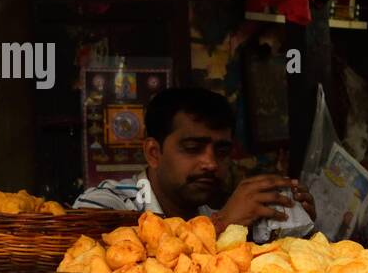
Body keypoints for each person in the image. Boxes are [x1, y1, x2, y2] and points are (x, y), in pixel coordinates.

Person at [74, 88, 314, 233]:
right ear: (153, 153)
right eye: (192, 148)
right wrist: (221, 227)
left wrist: (291, 228)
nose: (210, 163)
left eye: (221, 151)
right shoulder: (104, 205)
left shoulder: (213, 215)